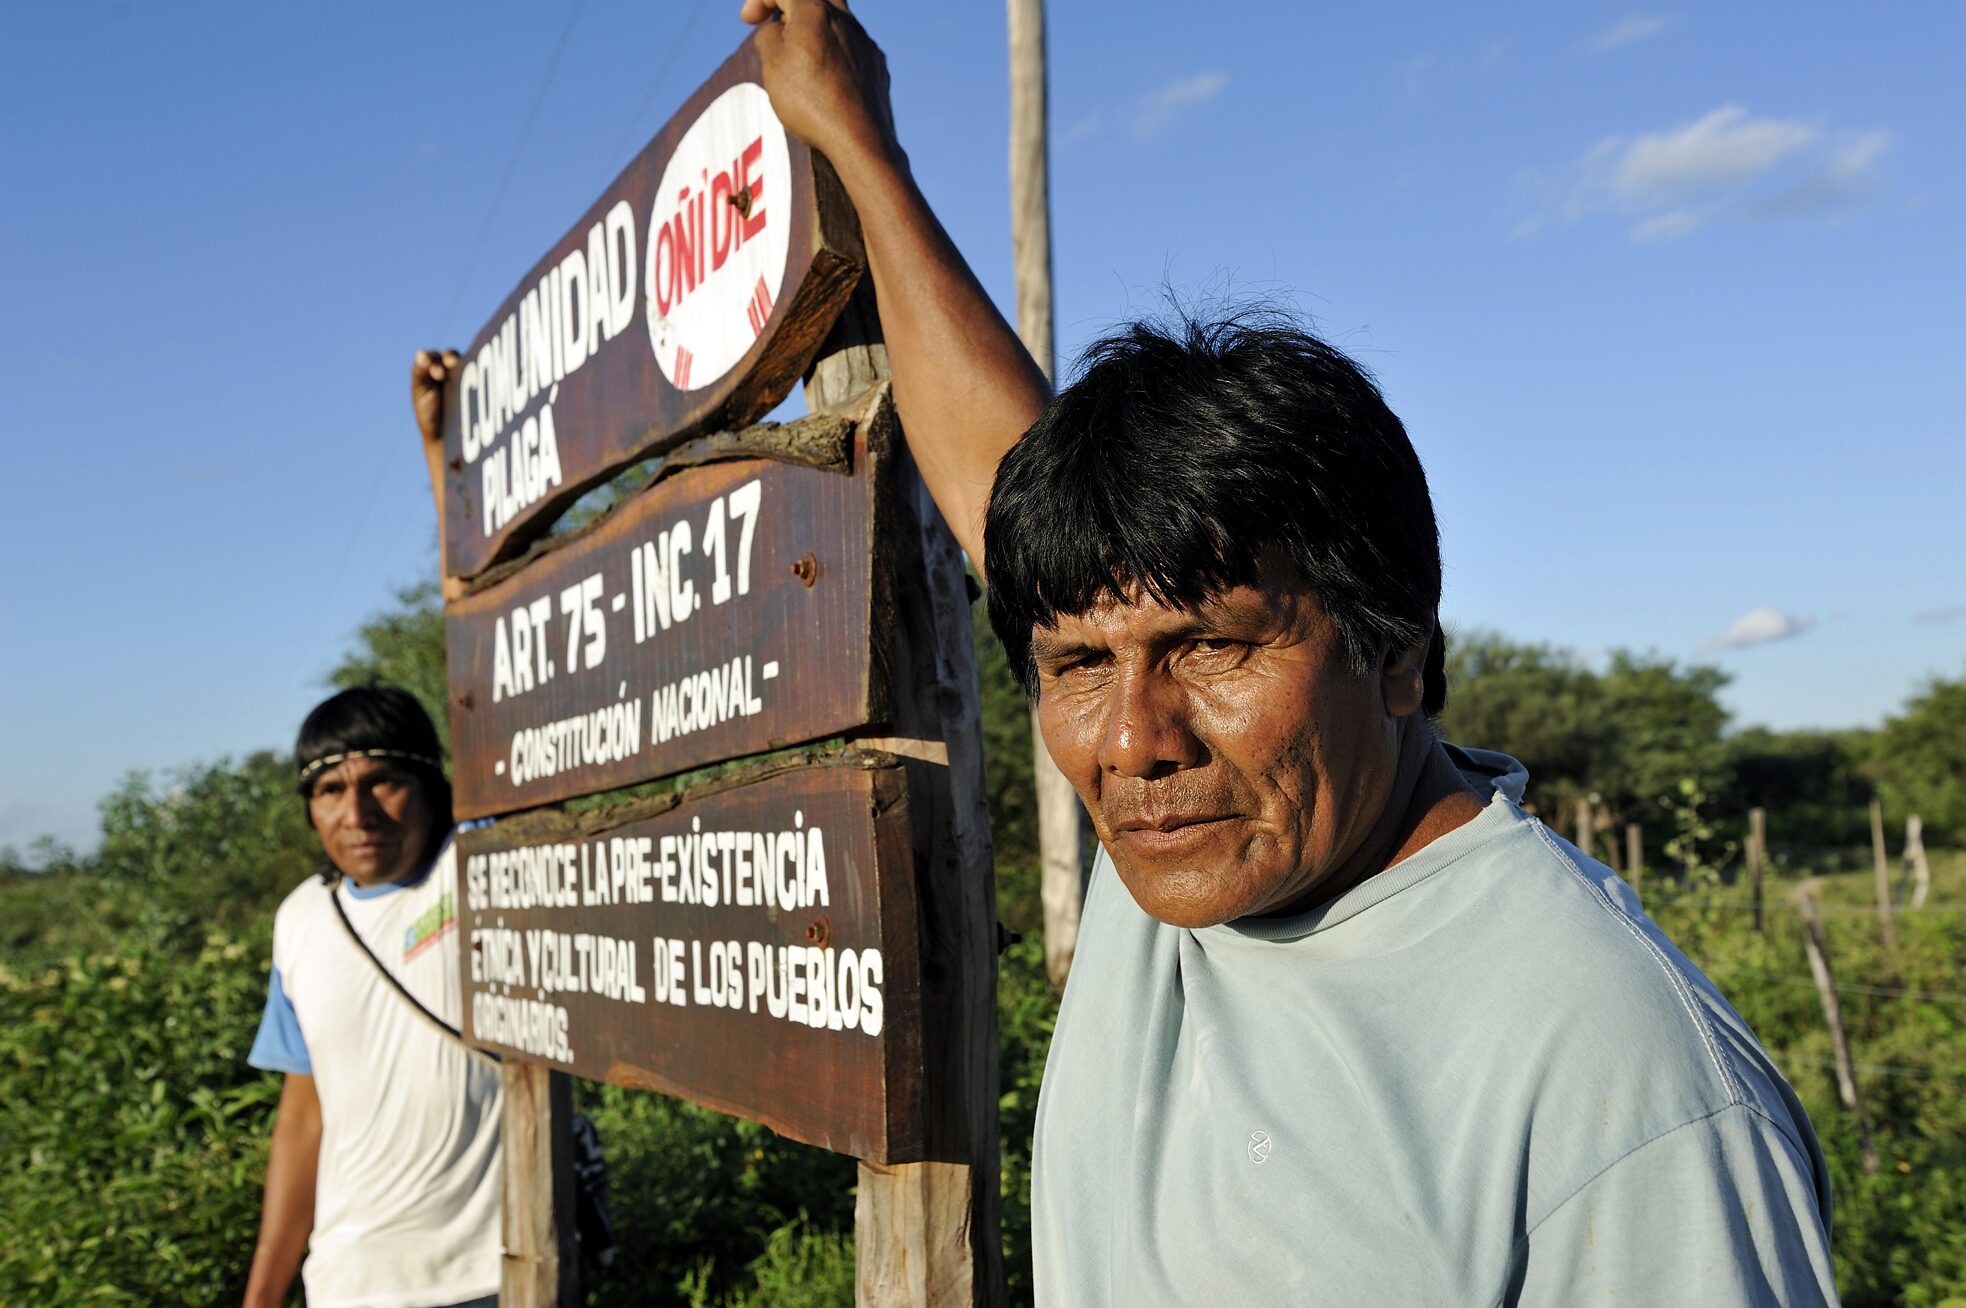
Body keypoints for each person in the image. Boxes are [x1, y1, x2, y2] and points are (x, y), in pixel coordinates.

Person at [741, 2, 1840, 1302]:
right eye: (1076, 667)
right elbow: (1006, 488)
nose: (1130, 745)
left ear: (1396, 657)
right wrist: (856, 144)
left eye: (1212, 648)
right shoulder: (1208, 846)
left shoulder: (1621, 1085)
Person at [243, 684, 502, 1308]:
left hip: (496, 1276)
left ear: (431, 787)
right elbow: (303, 1118)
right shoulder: (302, 919)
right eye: (330, 789)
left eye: (383, 781)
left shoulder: (479, 867)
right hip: (347, 1281)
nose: (356, 814)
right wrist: (261, 1296)